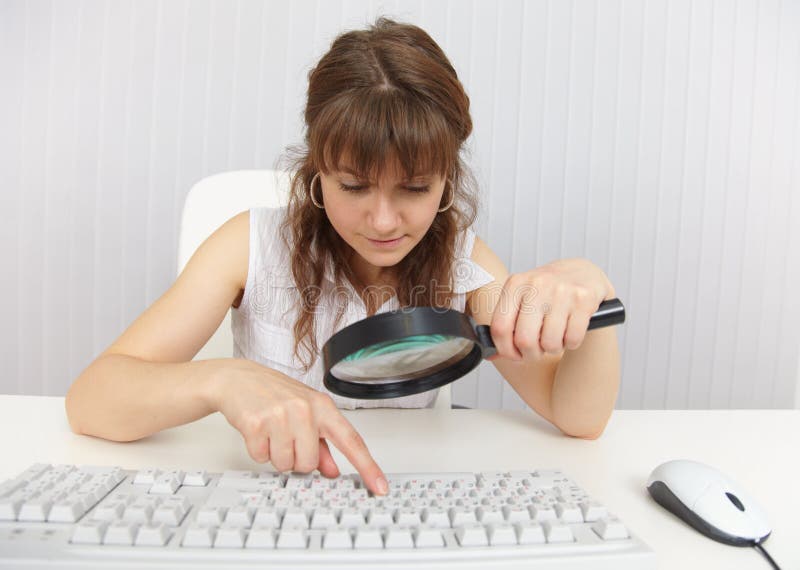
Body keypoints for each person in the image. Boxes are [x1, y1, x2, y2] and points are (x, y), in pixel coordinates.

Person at [65, 17, 620, 497]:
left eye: (414, 188)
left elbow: (578, 418)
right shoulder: (247, 246)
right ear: (318, 170)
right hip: (263, 493)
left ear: (446, 181)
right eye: (354, 187)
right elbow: (92, 399)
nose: (383, 221)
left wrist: (596, 293)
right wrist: (224, 381)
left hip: (393, 500)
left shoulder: (464, 268)